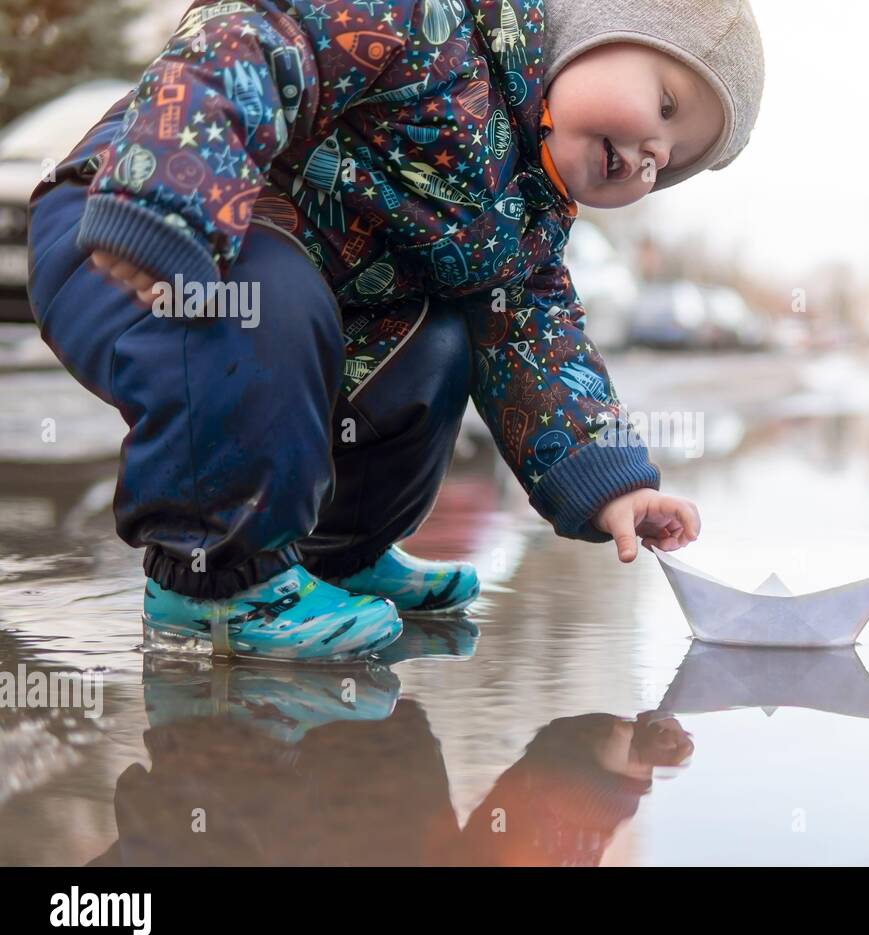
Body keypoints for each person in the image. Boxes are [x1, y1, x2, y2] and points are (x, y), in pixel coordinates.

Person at [27, 0, 765, 660]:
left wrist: (614, 486)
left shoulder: (529, 223)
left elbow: (537, 347)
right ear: (597, 25)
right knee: (266, 292)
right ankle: (212, 579)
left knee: (442, 338)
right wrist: (168, 197)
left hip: (286, 293)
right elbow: (248, 40)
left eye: (671, 165)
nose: (650, 158)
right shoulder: (425, 20)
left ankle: (332, 555)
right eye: (666, 104)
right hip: (132, 223)